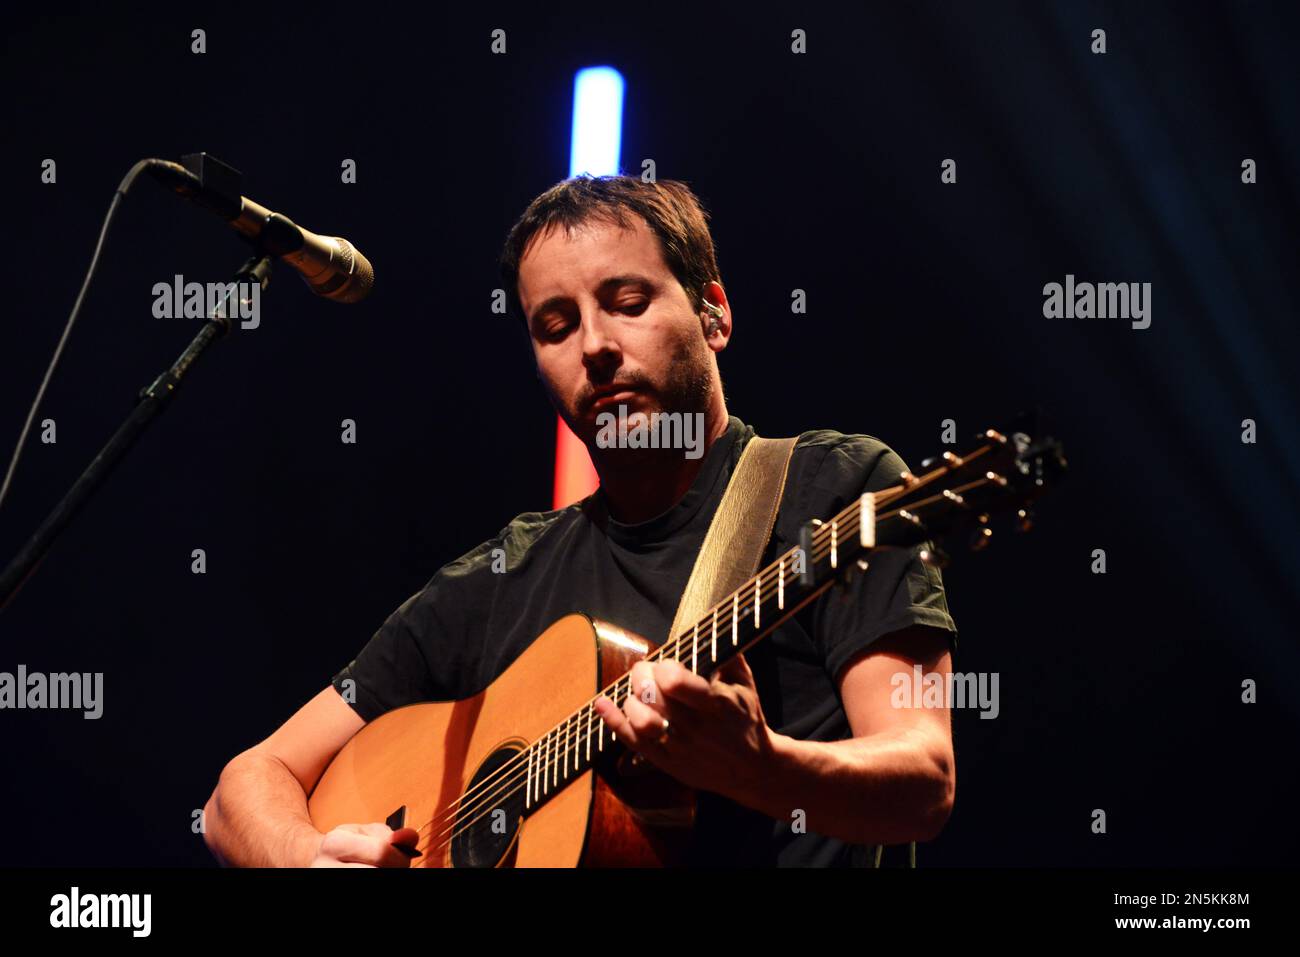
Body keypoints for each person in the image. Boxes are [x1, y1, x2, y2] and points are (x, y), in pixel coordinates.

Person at [202, 174, 958, 867]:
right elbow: (243, 786)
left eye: (628, 303)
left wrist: (764, 767)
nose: (595, 346)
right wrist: (304, 857)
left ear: (714, 314)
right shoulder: (502, 576)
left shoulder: (834, 489)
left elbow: (924, 779)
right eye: (555, 326)